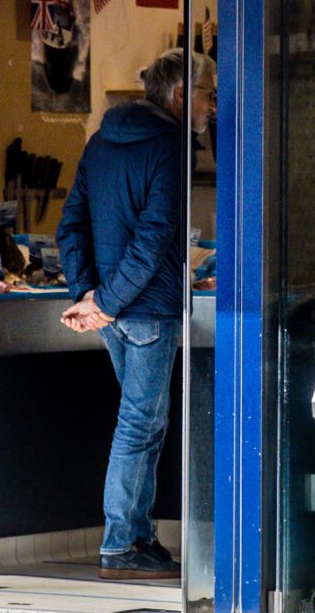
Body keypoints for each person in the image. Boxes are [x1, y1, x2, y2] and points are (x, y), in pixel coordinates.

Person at [57, 48, 216, 582]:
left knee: (140, 424)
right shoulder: (172, 150)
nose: (212, 106)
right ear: (178, 95)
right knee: (139, 427)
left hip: (114, 308)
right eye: (206, 94)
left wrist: (90, 295)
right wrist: (101, 302)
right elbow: (153, 241)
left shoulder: (100, 142)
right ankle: (122, 544)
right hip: (144, 309)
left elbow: (70, 226)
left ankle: (138, 537)